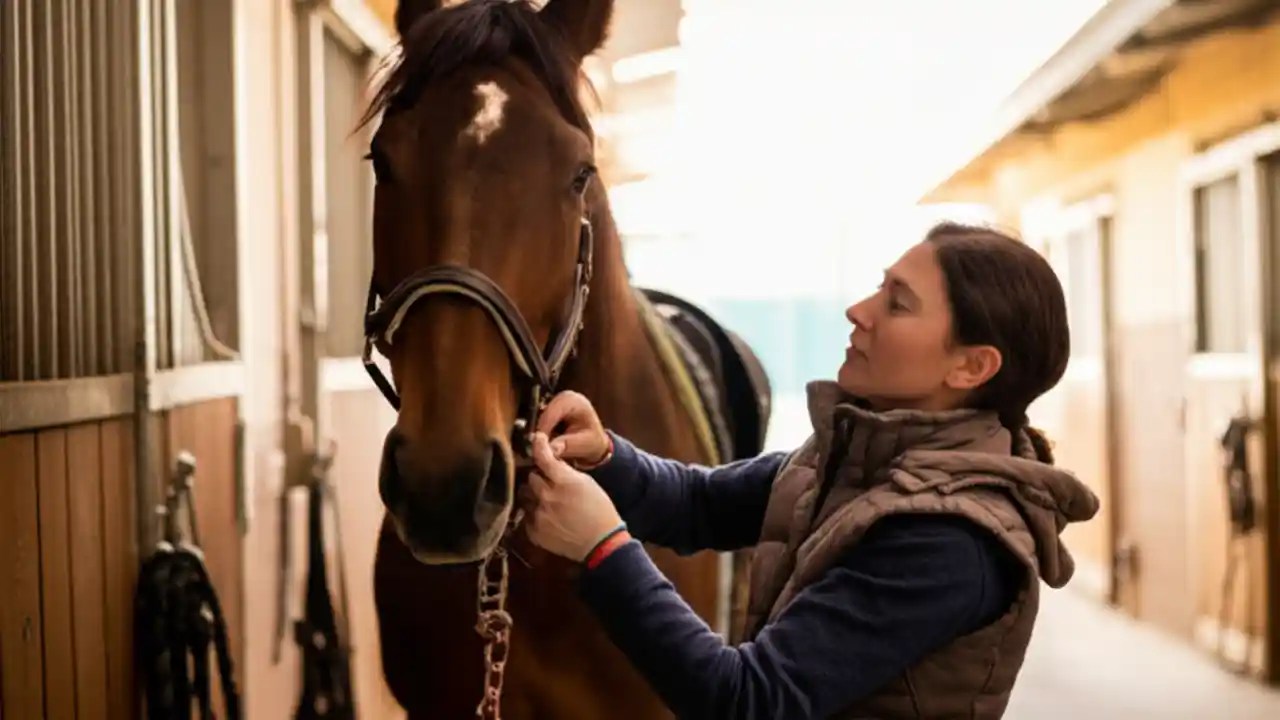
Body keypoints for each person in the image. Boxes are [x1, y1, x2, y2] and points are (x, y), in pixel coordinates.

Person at [520, 221, 1101, 719]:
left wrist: (603, 550)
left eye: (898, 302)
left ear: (971, 366)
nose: (859, 310)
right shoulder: (852, 458)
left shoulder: (949, 538)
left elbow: (751, 702)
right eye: (880, 286)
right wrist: (604, 457)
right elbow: (700, 504)